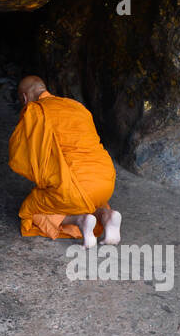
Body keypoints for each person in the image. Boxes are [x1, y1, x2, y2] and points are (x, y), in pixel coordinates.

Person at [8, 75, 121, 247]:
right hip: (105, 181)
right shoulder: (76, 106)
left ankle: (80, 220)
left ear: (24, 98)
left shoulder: (34, 111)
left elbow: (22, 159)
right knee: (89, 199)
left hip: (74, 187)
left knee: (30, 210)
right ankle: (106, 216)